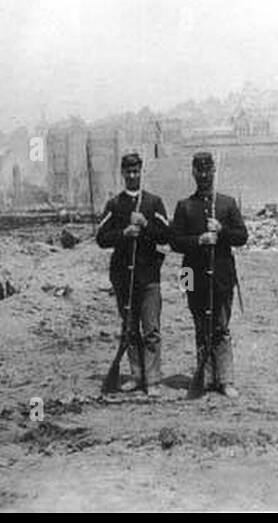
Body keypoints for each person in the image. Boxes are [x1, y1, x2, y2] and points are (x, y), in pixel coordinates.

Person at [169, 151, 248, 398]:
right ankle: (204, 377)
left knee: (221, 327)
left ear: (213, 172)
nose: (204, 176)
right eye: (199, 171)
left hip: (223, 277)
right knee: (200, 326)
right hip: (191, 276)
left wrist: (222, 230)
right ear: (193, 173)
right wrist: (199, 239)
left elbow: (242, 237)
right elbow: (174, 242)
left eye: (208, 171)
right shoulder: (184, 206)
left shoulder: (227, 203)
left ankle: (225, 380)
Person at [96, 152, 169, 395]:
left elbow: (167, 236)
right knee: (129, 329)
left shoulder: (153, 202)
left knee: (151, 330)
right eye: (128, 172)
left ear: (141, 172)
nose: (132, 175)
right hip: (123, 278)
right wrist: (124, 233)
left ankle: (154, 379)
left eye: (136, 171)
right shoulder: (114, 205)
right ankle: (137, 375)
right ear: (122, 173)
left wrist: (146, 224)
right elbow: (101, 238)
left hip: (148, 276)